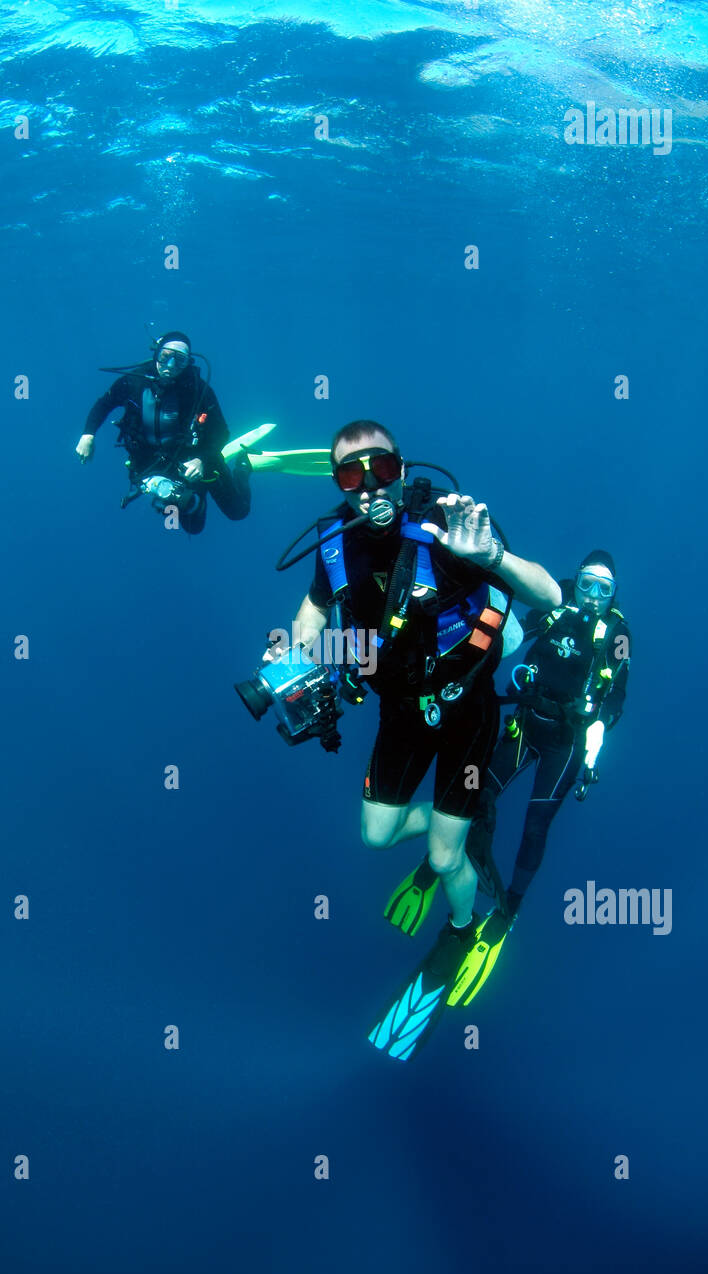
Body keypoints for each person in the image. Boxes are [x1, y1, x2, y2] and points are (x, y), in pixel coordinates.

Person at [267, 420, 560, 1061]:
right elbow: (316, 606)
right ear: (338, 483)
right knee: (375, 836)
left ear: (401, 469)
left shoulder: (451, 529)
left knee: (447, 859)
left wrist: (493, 558)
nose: (369, 486)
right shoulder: (335, 542)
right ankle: (460, 817)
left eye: (380, 468)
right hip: (399, 710)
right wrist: (291, 651)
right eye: (351, 474)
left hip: (466, 710)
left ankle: (462, 926)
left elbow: (551, 593)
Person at [397, 550, 631, 1014]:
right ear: (576, 580)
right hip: (524, 725)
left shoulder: (617, 635)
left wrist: (593, 747)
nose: (593, 596)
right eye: (587, 584)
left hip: (567, 743)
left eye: (604, 589)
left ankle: (509, 911)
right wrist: (463, 666)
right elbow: (510, 635)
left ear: (613, 595)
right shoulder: (555, 604)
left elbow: (615, 700)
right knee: (475, 794)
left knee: (535, 827)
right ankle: (438, 864)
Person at [75, 329, 251, 534]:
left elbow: (221, 432)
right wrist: (88, 435)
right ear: (156, 353)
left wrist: (201, 460)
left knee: (238, 512)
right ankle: (192, 499)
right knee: (191, 528)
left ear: (188, 362)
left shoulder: (198, 390)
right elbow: (104, 404)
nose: (170, 365)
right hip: (152, 464)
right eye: (165, 356)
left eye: (180, 360)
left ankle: (243, 468)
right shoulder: (133, 382)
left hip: (196, 460)